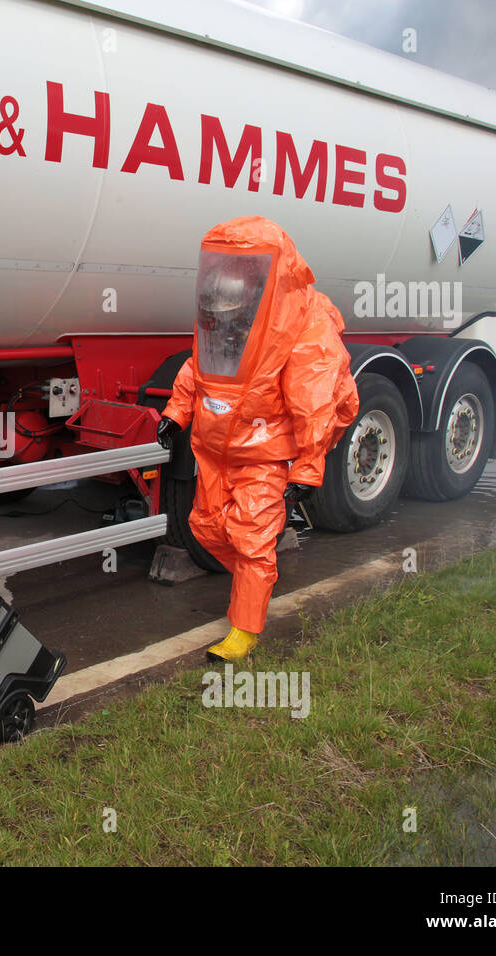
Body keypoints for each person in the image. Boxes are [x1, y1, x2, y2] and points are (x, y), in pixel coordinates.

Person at [157, 217, 358, 661]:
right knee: (205, 527)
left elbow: (314, 402)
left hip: (264, 451)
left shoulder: (304, 327)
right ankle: (259, 573)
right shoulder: (235, 316)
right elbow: (199, 367)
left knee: (250, 536)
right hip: (215, 449)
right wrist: (176, 412)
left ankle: (243, 630)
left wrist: (307, 467)